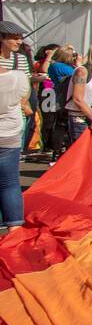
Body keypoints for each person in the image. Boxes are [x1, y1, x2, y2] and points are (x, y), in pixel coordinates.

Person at [0, 24, 32, 233]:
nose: (19, 41)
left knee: (9, 182)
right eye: (15, 37)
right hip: (9, 131)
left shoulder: (18, 68)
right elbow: (24, 97)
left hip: (9, 130)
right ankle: (14, 229)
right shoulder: (18, 75)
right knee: (10, 182)